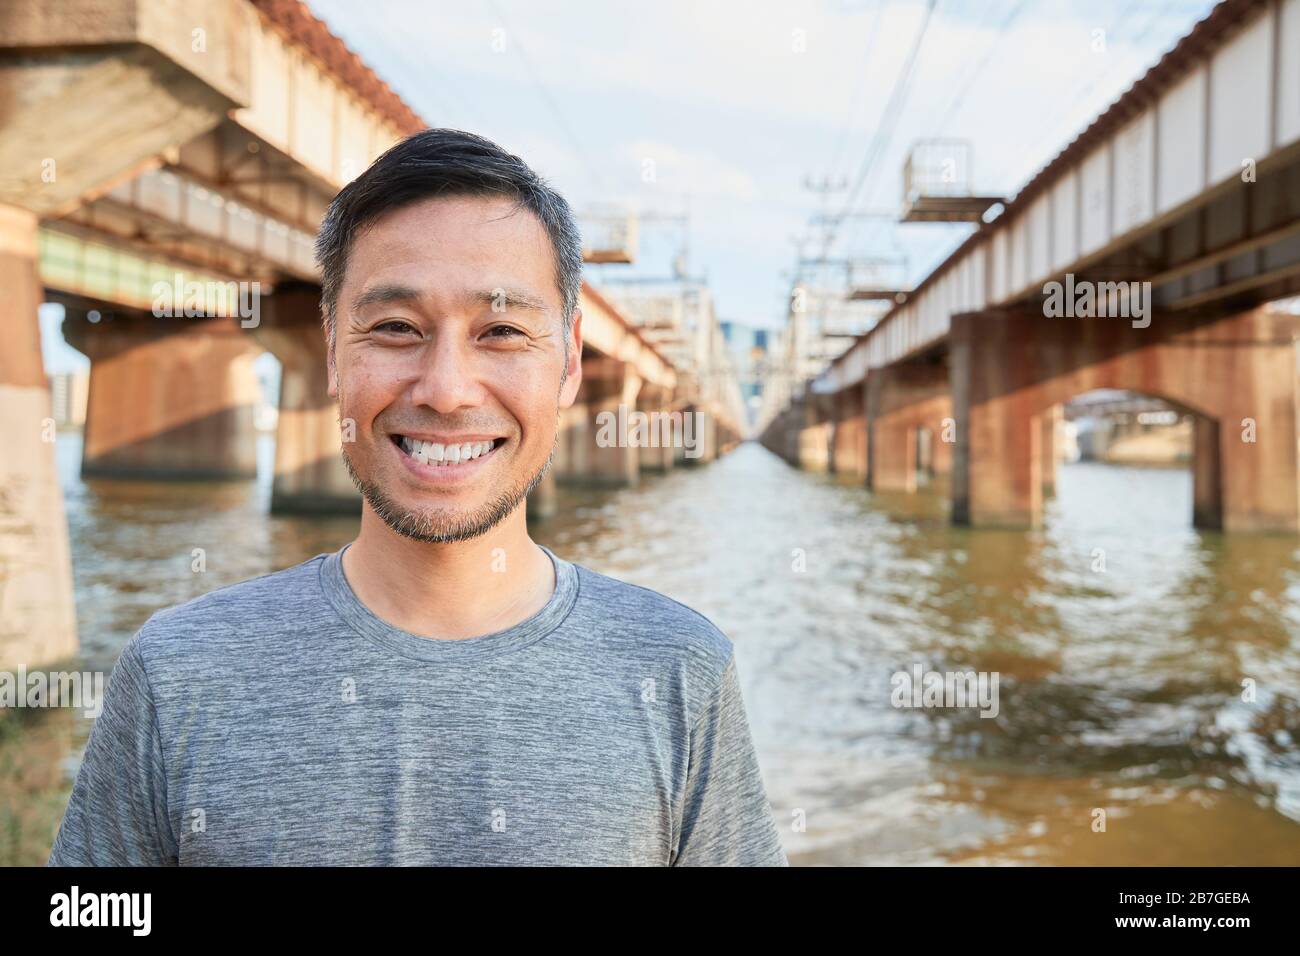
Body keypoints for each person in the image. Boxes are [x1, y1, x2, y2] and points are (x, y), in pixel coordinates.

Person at [47, 128, 788, 866]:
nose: (445, 390)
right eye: (396, 328)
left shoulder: (680, 671)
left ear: (569, 364)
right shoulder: (174, 674)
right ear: (332, 350)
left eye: (500, 331)